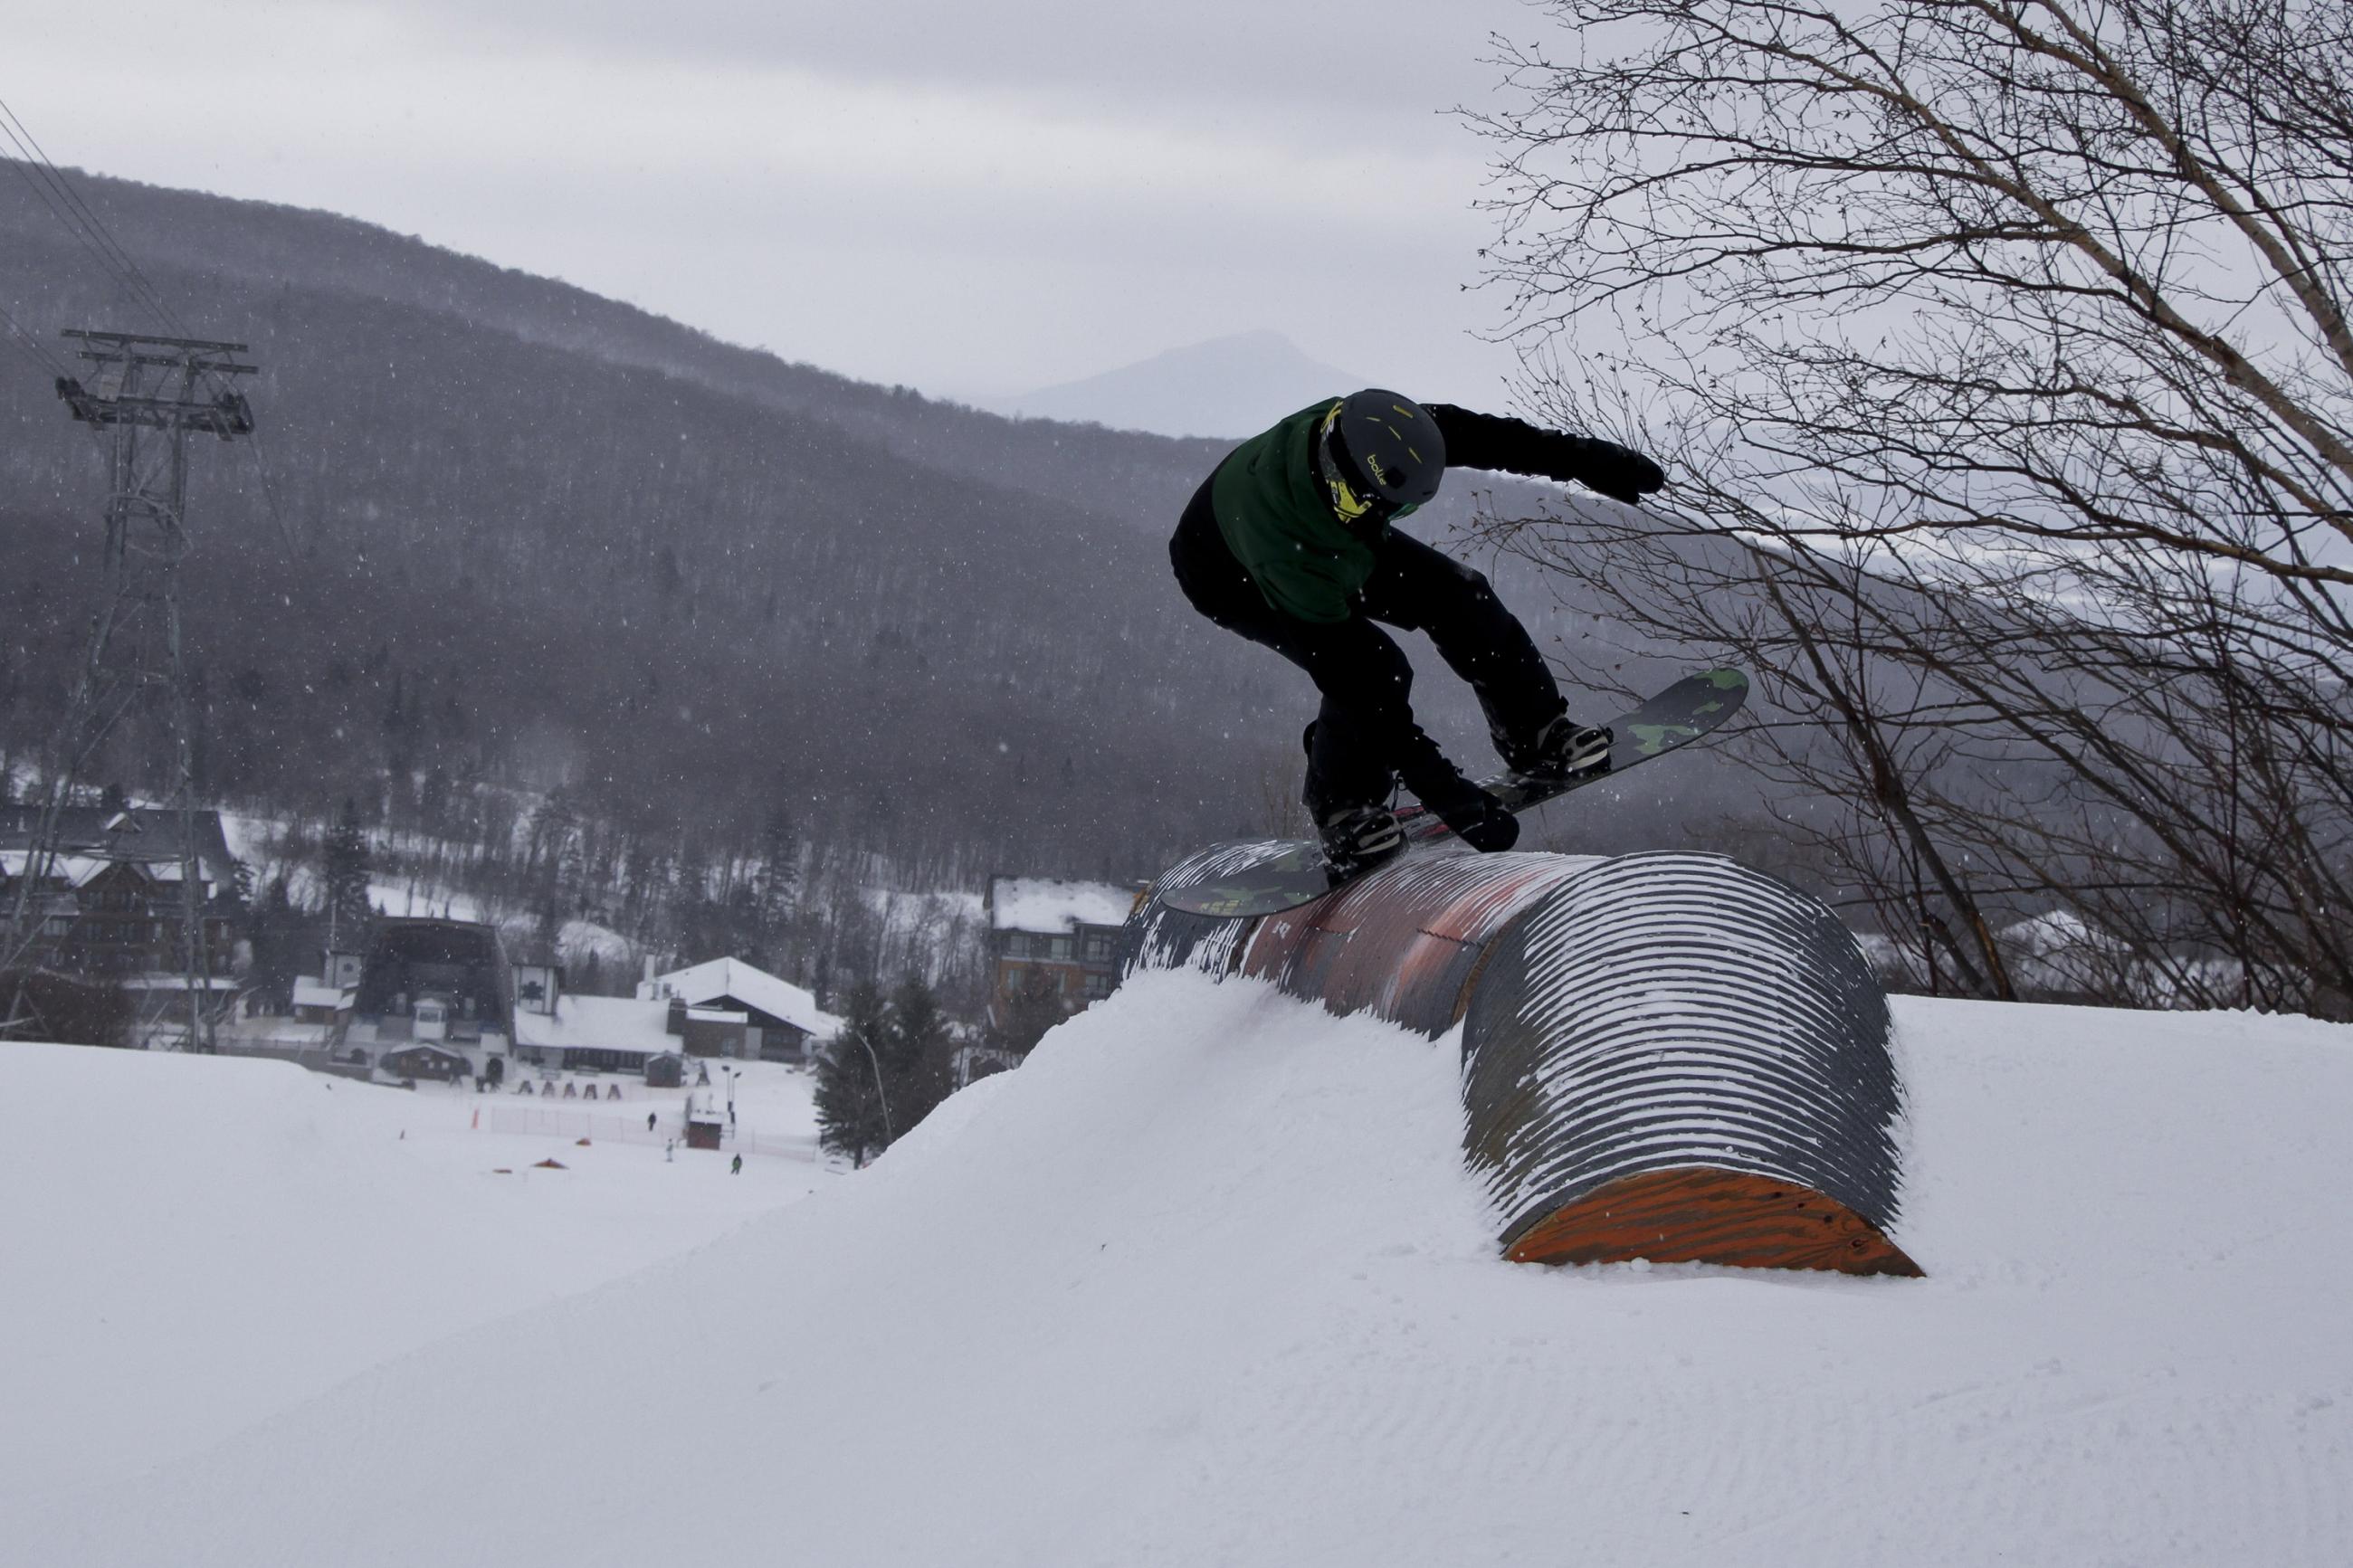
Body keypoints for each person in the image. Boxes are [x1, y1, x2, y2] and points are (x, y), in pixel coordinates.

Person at [1169, 389, 1666, 875]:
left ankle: (1534, 734)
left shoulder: (1377, 432)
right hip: (1232, 576)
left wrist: (1583, 459)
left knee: (1461, 597)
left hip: (1330, 529)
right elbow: (1350, 682)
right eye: (1391, 507)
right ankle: (1344, 809)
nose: (1396, 518)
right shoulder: (1288, 558)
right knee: (1374, 669)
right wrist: (1447, 793)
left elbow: (1487, 438)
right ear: (1352, 492)